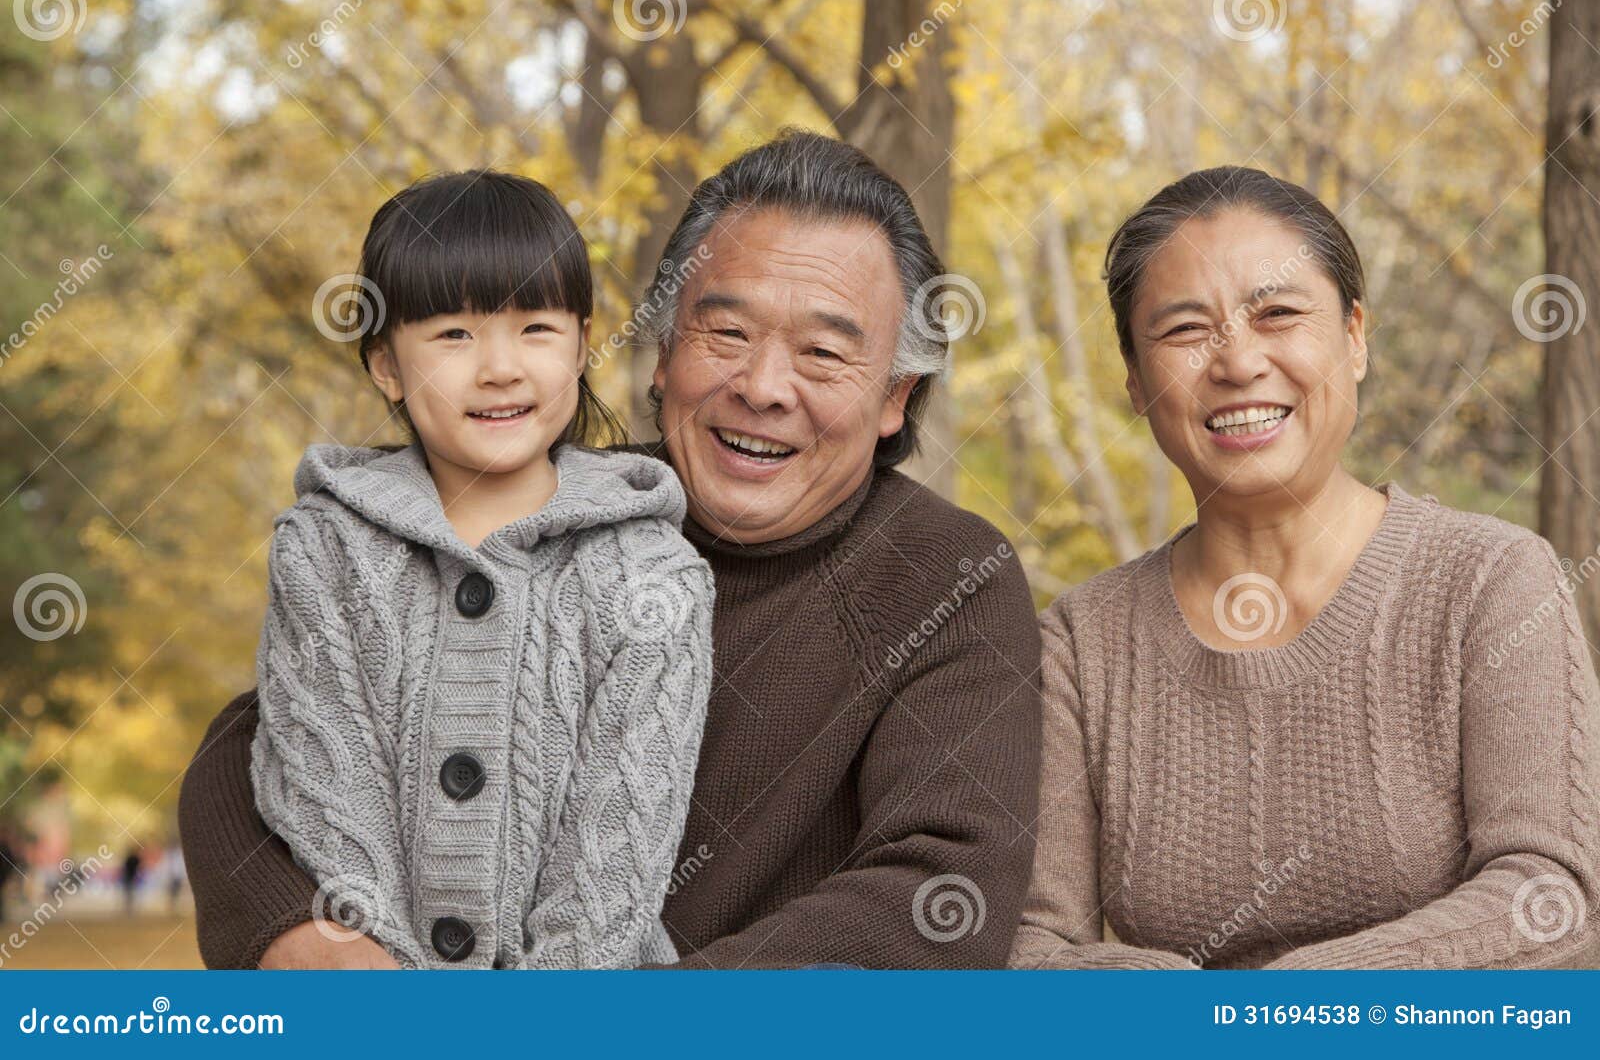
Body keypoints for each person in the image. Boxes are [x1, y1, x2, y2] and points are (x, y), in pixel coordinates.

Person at [179, 130, 1042, 970]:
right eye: (726, 334)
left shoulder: (946, 577)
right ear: (663, 352)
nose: (763, 387)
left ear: (896, 395)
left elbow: (937, 891)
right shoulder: (553, 503)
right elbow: (255, 741)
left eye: (822, 353)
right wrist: (294, 929)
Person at [1010, 166, 1600, 970]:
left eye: (1278, 314)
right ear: (1137, 383)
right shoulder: (1080, 645)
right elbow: (1030, 943)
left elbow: (1551, 895)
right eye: (1185, 329)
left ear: (1355, 337)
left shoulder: (1491, 581)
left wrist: (1283, 1008)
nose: (1237, 361)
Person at [244, 170, 714, 968]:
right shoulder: (324, 551)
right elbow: (330, 812)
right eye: (454, 334)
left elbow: (614, 866)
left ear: (582, 344)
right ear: (386, 364)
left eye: (536, 328)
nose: (500, 367)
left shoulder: (653, 576)